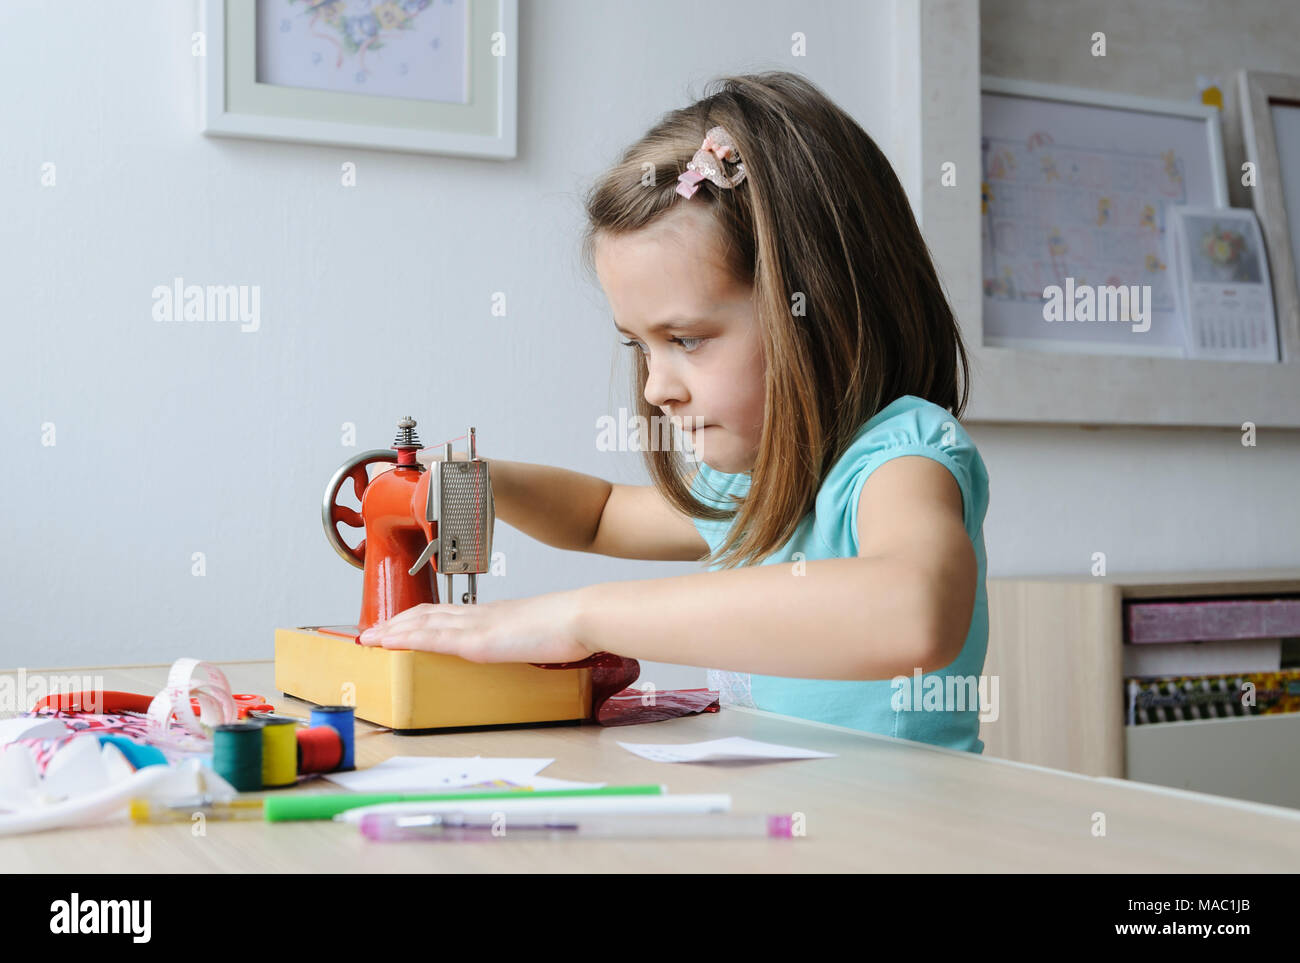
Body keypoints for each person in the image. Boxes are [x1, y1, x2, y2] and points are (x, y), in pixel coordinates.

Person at [361, 71, 991, 753]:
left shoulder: (899, 458)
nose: (658, 385)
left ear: (821, 310)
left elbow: (913, 611)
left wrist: (580, 616)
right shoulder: (754, 482)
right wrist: (476, 481)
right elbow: (597, 514)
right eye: (640, 346)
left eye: (686, 339)